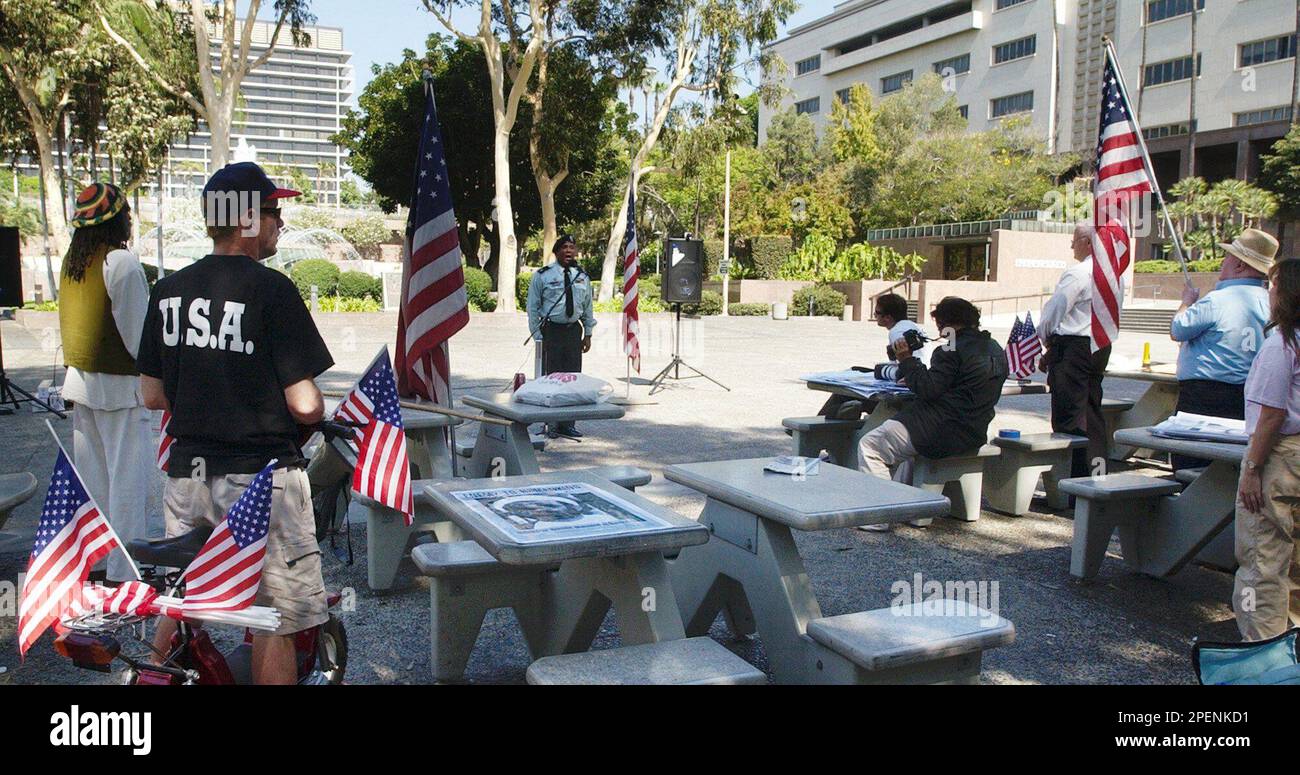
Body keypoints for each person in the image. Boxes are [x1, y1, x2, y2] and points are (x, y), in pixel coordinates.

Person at [137, 162, 334, 684]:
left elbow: (151, 394)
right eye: (274, 212)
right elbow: (306, 405)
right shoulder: (272, 290)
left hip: (187, 477)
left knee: (183, 597)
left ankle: (151, 679)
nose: (280, 224)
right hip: (260, 481)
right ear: (248, 218)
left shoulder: (167, 291)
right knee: (273, 617)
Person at [58, 183, 152, 583]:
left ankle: (96, 564)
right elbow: (139, 337)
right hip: (119, 389)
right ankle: (126, 570)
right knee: (128, 483)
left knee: (94, 483)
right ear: (118, 220)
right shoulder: (121, 262)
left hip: (81, 385)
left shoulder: (72, 262)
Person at [857, 297, 1008, 531]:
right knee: (901, 447)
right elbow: (950, 382)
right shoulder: (995, 347)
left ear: (946, 323)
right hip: (974, 430)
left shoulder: (951, 346)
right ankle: (901, 503)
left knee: (871, 444)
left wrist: (907, 360)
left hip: (940, 429)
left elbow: (929, 390)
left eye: (940, 325)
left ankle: (876, 518)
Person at [1232, 258, 1300, 642]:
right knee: (1295, 561)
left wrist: (1252, 467)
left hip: (1279, 455)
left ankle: (1261, 648)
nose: (1268, 292)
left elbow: (1273, 414)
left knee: (1263, 557)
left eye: (1273, 285)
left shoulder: (1282, 344)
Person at [1169, 229, 1275, 470]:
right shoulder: (1271, 302)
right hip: (1250, 395)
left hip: (1203, 395)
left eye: (1227, 257)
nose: (1222, 263)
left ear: (1238, 265)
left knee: (1190, 461)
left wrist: (1186, 301)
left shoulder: (1217, 300)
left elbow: (1178, 329)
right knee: (1228, 466)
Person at [1040, 222, 1113, 478]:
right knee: (1092, 412)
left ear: (1087, 242)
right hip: (1100, 343)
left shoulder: (1079, 273)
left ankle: (1071, 479)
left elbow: (1055, 310)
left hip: (1074, 345)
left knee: (1069, 415)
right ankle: (1094, 472)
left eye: (1074, 240)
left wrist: (1047, 339)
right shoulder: (1113, 274)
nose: (1072, 245)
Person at [526, 233, 596, 439]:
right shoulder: (543, 275)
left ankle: (568, 423)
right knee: (552, 378)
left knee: (572, 378)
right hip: (552, 331)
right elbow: (533, 307)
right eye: (564, 247)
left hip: (574, 331)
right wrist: (537, 335)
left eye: (572, 247)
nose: (568, 251)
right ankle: (551, 423)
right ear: (556, 252)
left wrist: (588, 333)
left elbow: (587, 308)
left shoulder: (582, 276)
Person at [819, 293, 931, 420]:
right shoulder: (912, 326)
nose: (874, 316)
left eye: (877, 313)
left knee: (843, 393)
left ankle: (816, 426)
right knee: (859, 369)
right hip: (918, 379)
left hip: (906, 393)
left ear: (888, 317)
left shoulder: (897, 332)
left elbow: (904, 369)